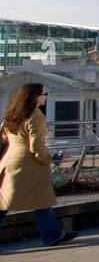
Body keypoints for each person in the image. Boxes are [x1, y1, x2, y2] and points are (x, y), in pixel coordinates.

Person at [0, 83, 76, 248]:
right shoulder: (35, 116)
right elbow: (36, 146)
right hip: (29, 165)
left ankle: (53, 234)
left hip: (9, 161)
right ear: (34, 96)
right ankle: (51, 236)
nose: (46, 97)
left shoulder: (12, 114)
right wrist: (47, 160)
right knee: (39, 201)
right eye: (44, 94)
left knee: (9, 202)